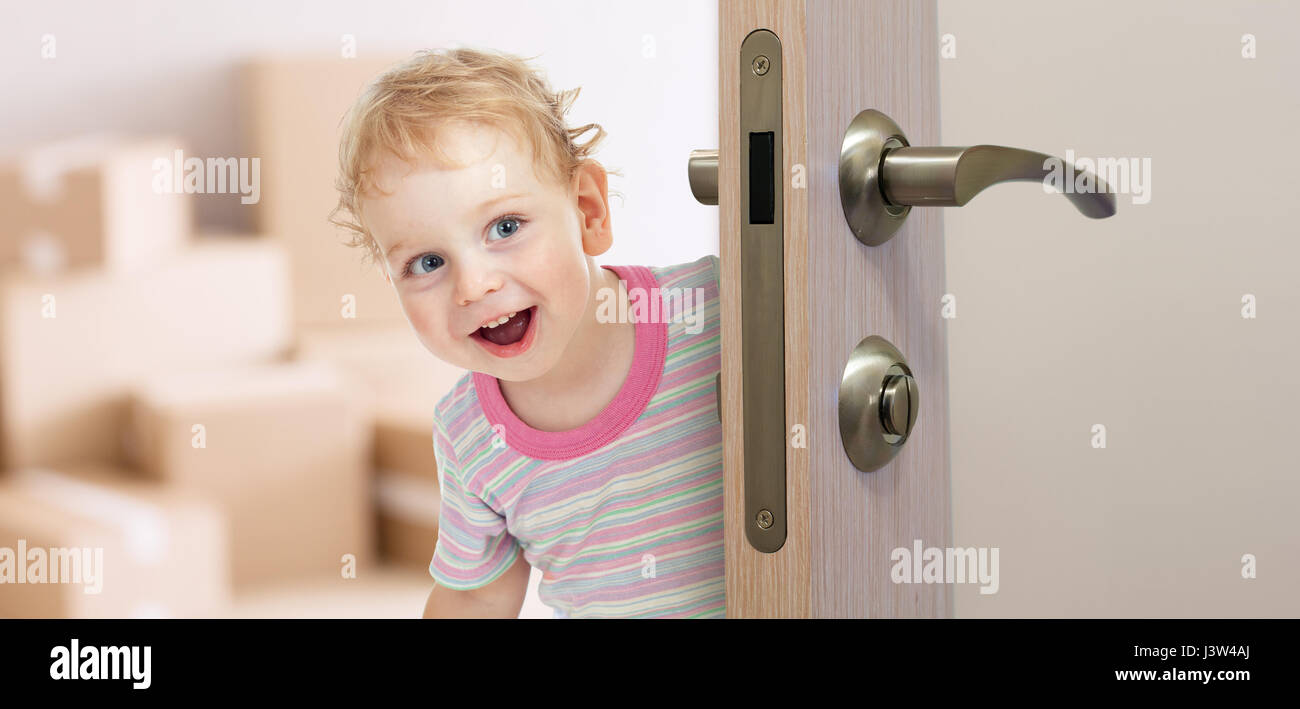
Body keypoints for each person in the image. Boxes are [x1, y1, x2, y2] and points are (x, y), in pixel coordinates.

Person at [331, 47, 723, 618]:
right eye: (427, 263)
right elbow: (479, 595)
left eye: (505, 227)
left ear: (588, 211)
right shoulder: (469, 436)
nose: (473, 285)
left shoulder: (710, 310)